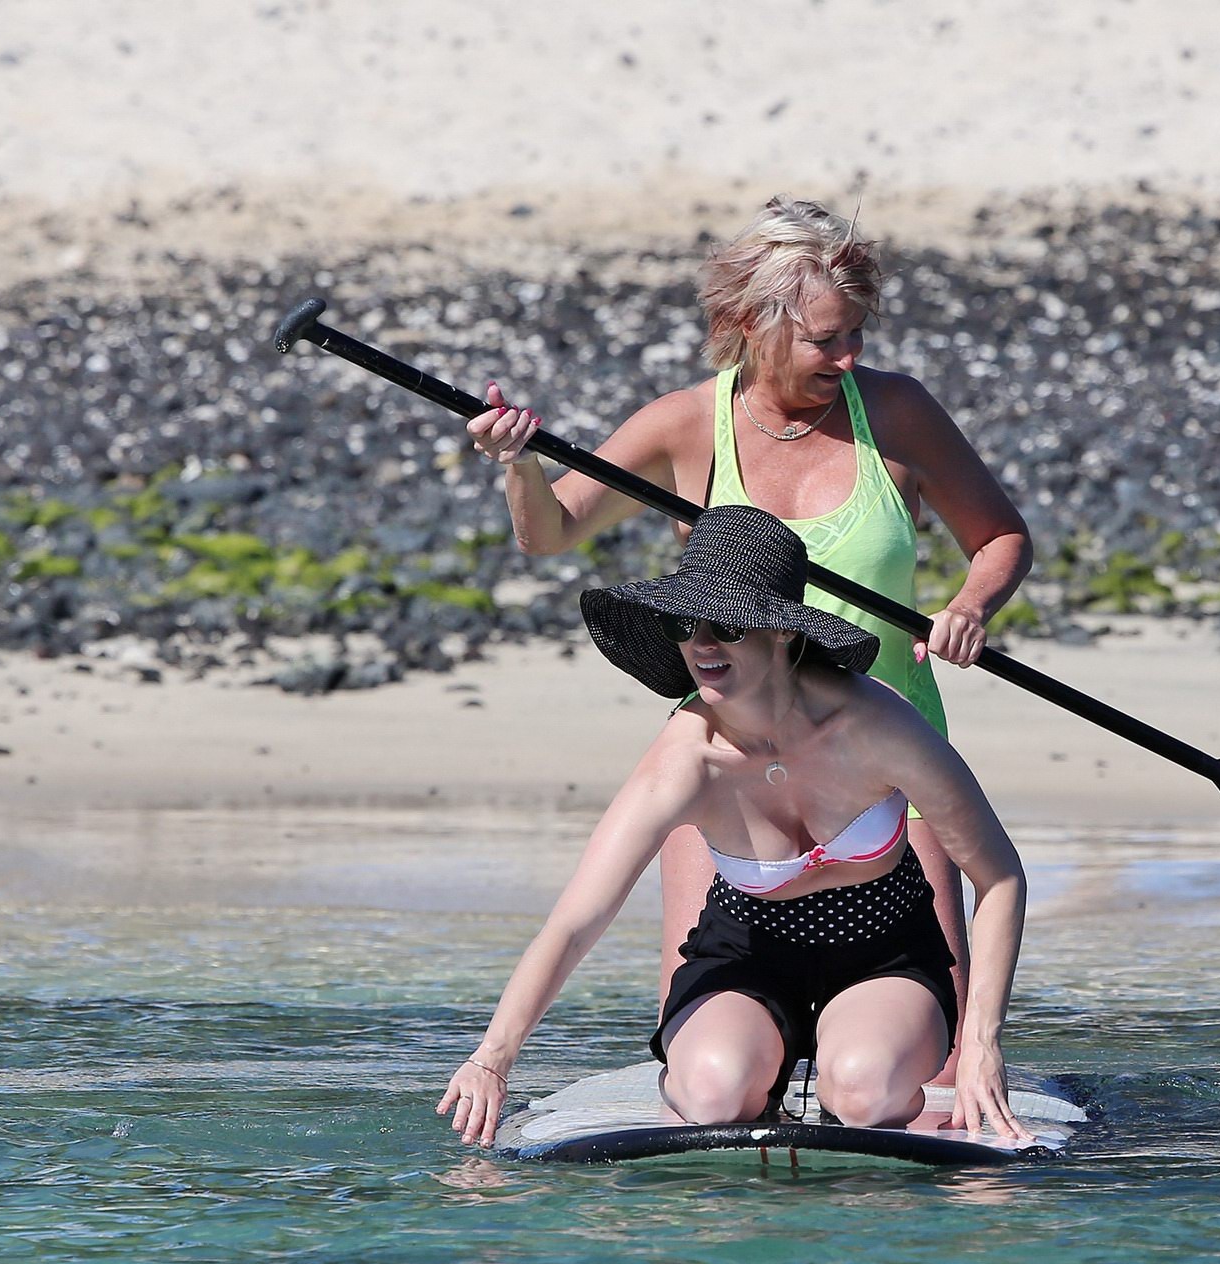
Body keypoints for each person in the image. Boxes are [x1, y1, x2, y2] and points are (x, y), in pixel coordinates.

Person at [468, 196, 1033, 1060]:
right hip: (732, 753)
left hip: (887, 744)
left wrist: (969, 605)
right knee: (698, 1041)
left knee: (940, 1047)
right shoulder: (685, 425)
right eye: (823, 339)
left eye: (856, 336)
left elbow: (999, 537)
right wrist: (521, 464)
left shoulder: (898, 413)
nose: (847, 358)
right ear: (749, 324)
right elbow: (549, 532)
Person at [436, 506, 1028, 1147]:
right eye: (686, 623)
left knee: (865, 1091)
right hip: (746, 954)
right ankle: (728, 1075)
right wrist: (492, 1057)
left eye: (725, 623)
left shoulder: (878, 725)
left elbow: (999, 877)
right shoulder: (686, 757)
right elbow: (580, 916)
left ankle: (838, 1089)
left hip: (884, 951)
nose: (702, 643)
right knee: (716, 1095)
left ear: (781, 633)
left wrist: (980, 1045)